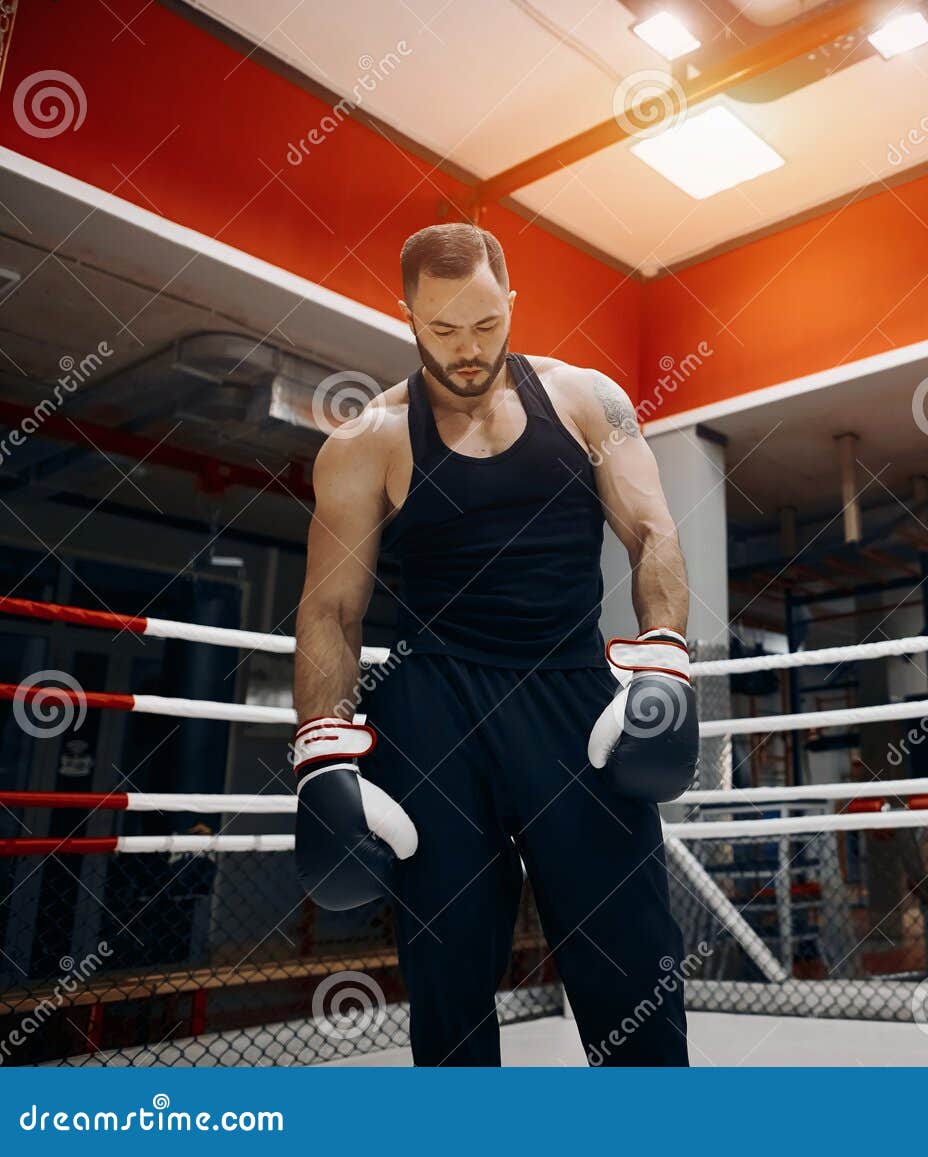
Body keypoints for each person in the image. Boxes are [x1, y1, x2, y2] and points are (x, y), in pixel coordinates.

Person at [291, 223, 695, 1067]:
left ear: (512, 302)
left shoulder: (585, 400)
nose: (468, 350)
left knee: (634, 963)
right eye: (443, 329)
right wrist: (321, 752)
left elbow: (653, 530)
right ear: (407, 315)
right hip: (434, 710)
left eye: (485, 323)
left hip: (572, 700)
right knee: (448, 983)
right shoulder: (370, 438)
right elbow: (331, 609)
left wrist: (664, 655)